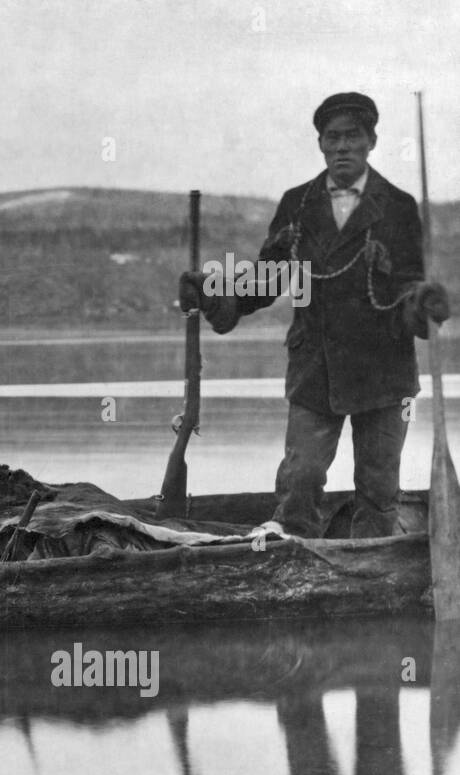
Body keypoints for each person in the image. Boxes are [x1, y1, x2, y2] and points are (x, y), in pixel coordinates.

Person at [180, 92, 450, 538]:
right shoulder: (297, 204)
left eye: (353, 136)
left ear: (371, 141)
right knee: (300, 482)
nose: (343, 146)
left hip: (385, 374)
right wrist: (213, 292)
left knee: (379, 490)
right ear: (321, 144)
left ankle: (371, 582)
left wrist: (424, 304)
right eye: (333, 137)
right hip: (315, 371)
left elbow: (409, 290)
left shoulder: (399, 208)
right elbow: (267, 280)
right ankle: (293, 564)